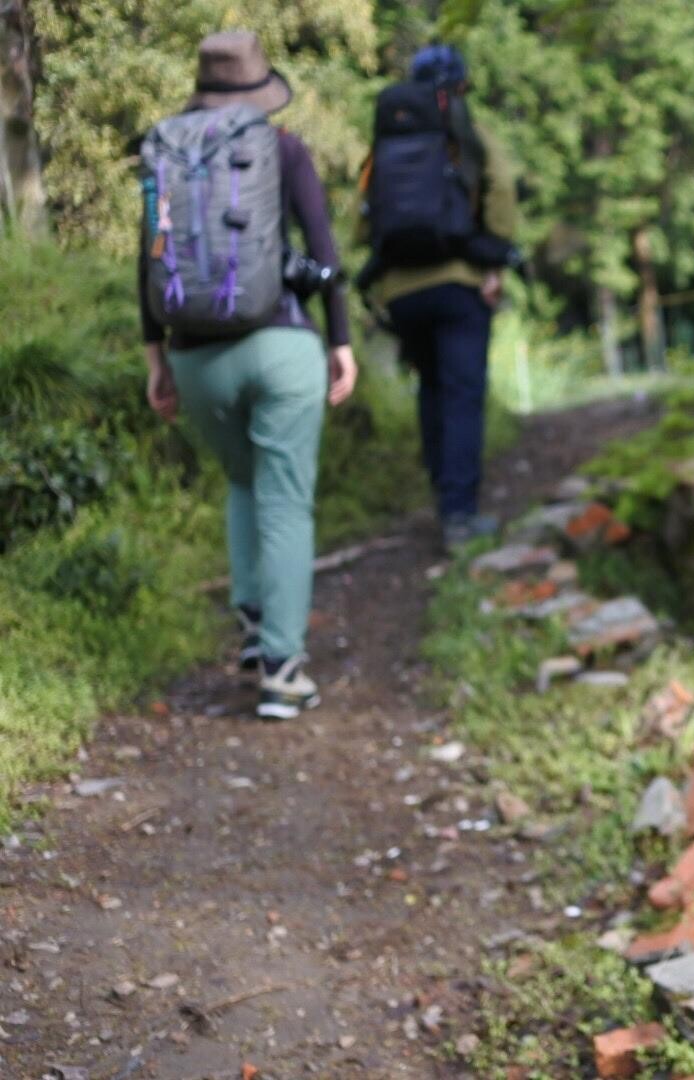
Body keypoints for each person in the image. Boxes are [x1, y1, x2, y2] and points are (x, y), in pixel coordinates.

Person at [141, 30, 357, 721]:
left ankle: (252, 627)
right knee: (285, 498)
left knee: (243, 479)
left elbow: (145, 260)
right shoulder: (282, 147)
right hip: (281, 346)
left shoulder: (167, 154)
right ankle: (282, 668)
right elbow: (324, 253)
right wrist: (342, 343)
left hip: (194, 354)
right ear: (258, 89)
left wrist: (157, 358)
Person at [359, 44, 519, 551]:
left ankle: (441, 496)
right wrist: (493, 261)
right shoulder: (465, 133)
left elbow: (364, 216)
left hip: (402, 292)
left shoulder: (388, 139)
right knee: (462, 396)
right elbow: (503, 190)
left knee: (431, 390)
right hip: (460, 284)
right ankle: (459, 516)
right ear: (460, 86)